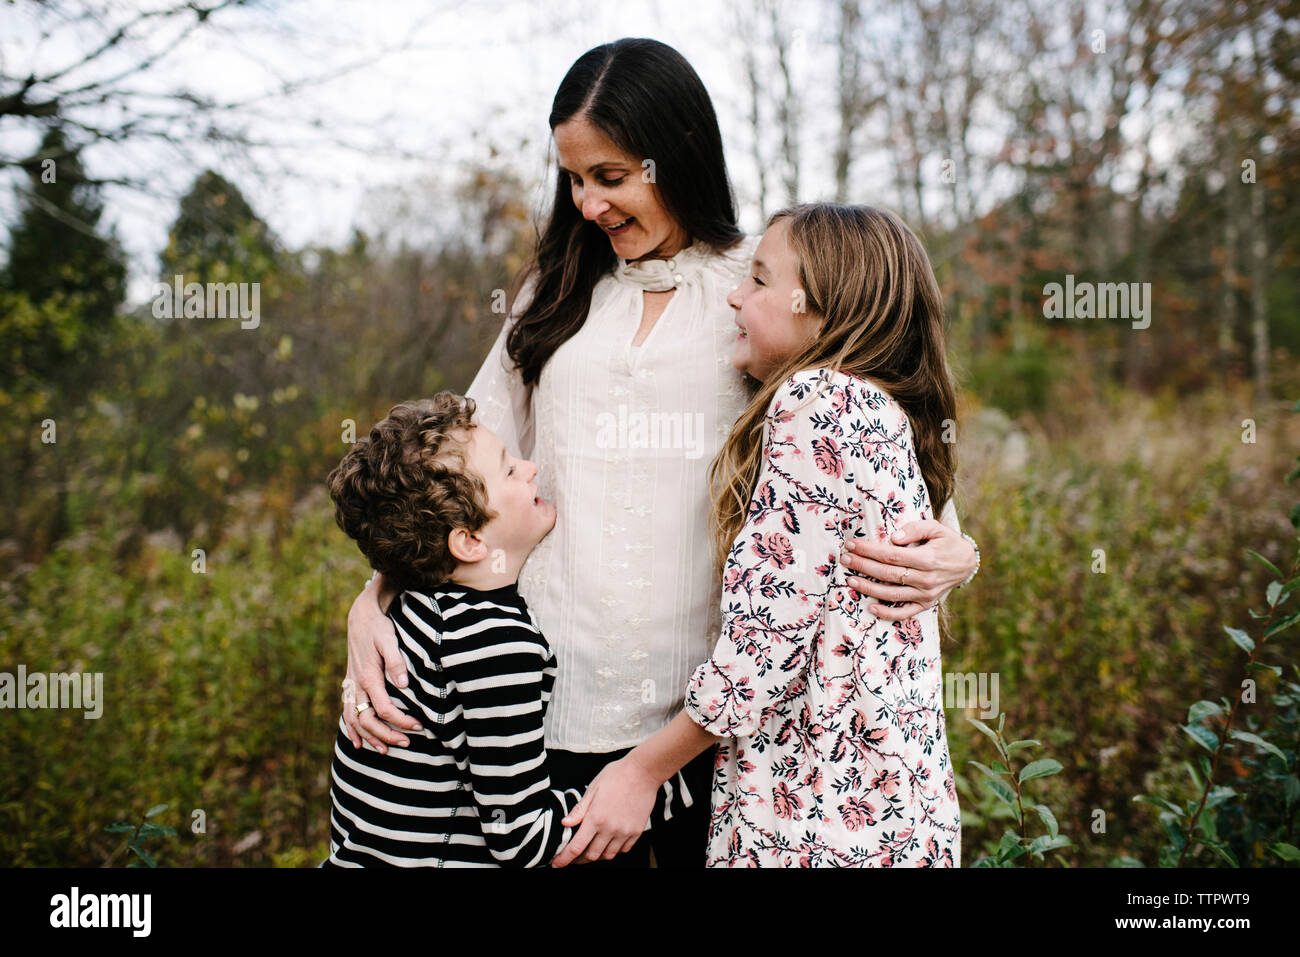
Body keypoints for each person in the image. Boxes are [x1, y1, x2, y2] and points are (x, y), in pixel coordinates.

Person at [341, 39, 979, 868]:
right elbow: (448, 475)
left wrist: (958, 552)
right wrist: (373, 599)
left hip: (705, 731)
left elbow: (887, 473)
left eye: (610, 177)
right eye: (573, 179)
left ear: (673, 155)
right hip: (544, 713)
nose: (587, 204)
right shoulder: (553, 297)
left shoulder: (761, 292)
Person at [553, 204, 965, 867]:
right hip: (894, 821)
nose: (736, 296)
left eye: (762, 281)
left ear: (823, 309)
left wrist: (641, 771)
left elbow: (762, 649)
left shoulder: (815, 405)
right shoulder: (878, 411)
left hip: (815, 825)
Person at [322, 394, 580, 867]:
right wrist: (652, 790)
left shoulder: (409, 607)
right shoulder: (496, 644)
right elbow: (521, 839)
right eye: (508, 471)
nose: (531, 467)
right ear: (469, 541)